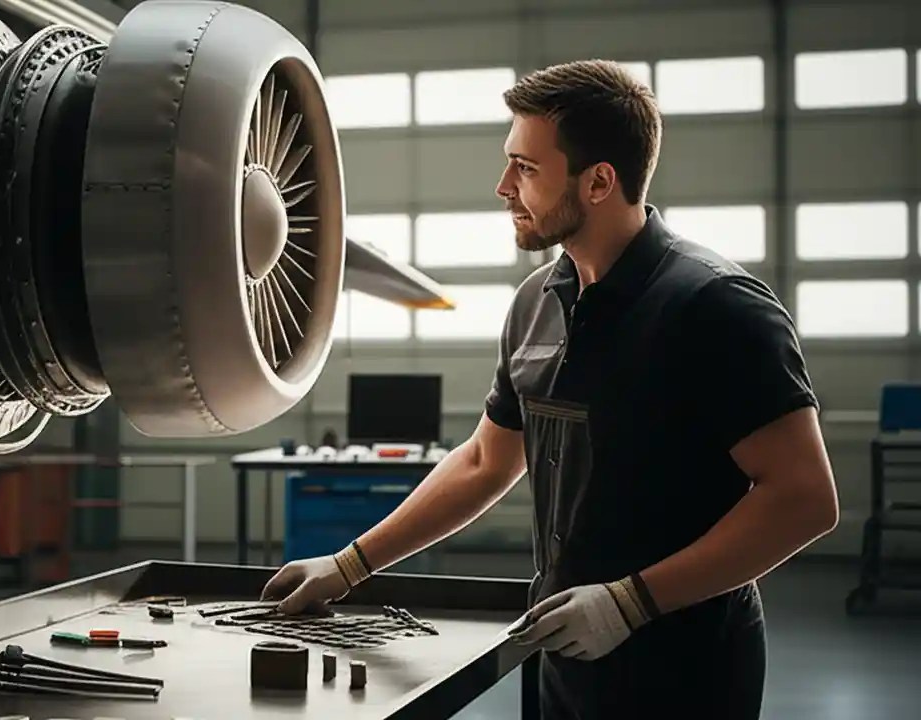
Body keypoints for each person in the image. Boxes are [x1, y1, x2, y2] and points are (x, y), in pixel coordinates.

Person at [260, 59, 840, 719]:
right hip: (562, 645)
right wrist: (349, 565)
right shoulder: (537, 301)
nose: (502, 185)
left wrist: (630, 602)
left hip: (685, 666)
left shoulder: (717, 308)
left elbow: (803, 500)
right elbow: (486, 460)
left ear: (598, 182)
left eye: (526, 168)